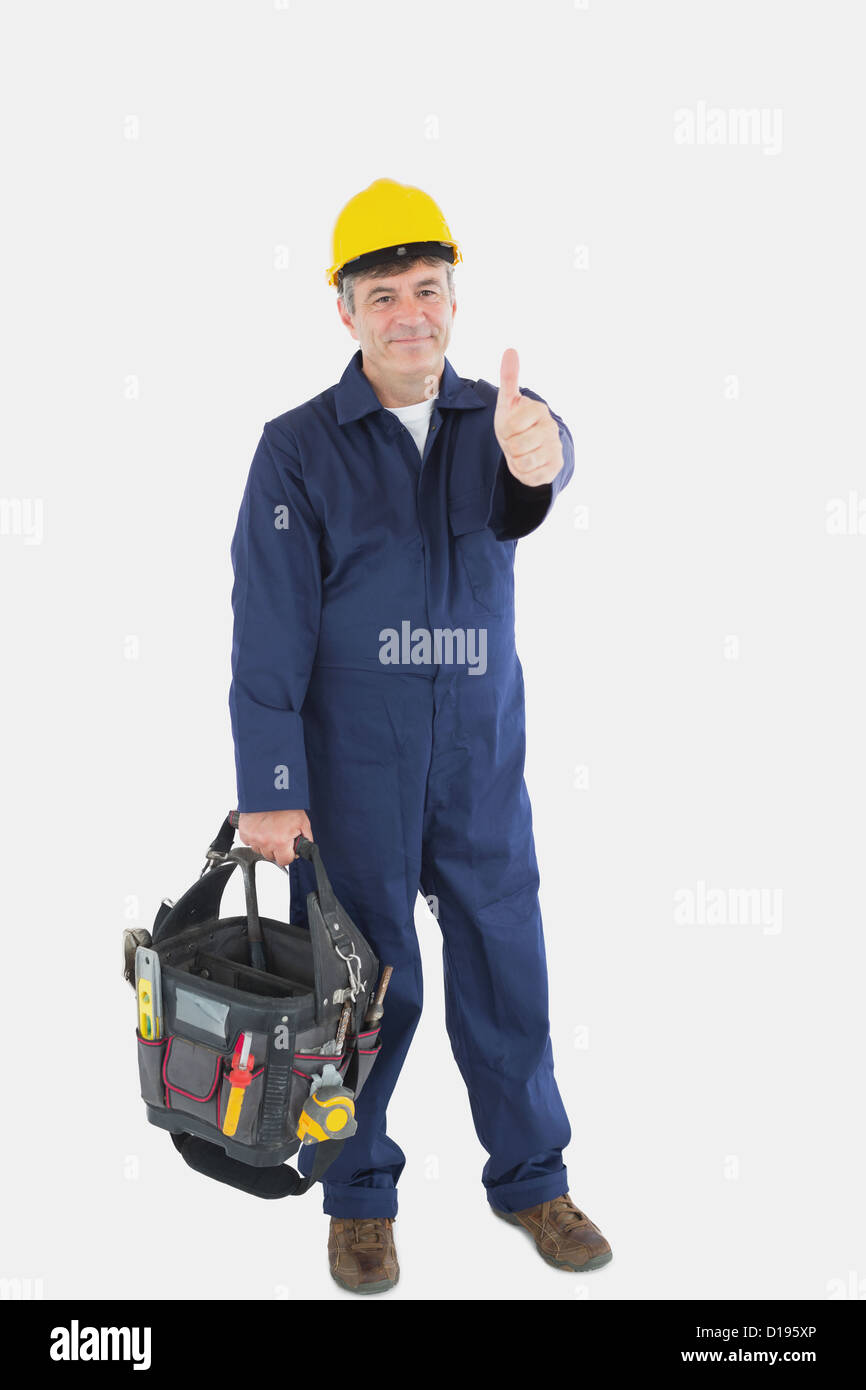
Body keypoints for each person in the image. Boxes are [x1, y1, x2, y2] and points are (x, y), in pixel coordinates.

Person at [228, 177, 612, 1294]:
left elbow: (530, 470)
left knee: (505, 965)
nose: (409, 314)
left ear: (454, 299)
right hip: (351, 768)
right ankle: (356, 1197)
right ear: (342, 309)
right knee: (359, 989)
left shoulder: (494, 418)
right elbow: (267, 630)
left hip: (479, 757)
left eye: (428, 290)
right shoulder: (295, 448)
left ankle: (533, 1178)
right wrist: (270, 784)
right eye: (382, 293)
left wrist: (545, 453)